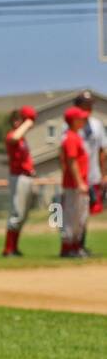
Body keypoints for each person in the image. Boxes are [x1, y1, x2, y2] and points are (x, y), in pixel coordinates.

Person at [2, 105, 38, 257]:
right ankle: (8, 249)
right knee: (17, 213)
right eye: (16, 120)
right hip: (18, 177)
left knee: (23, 215)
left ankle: (14, 248)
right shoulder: (12, 136)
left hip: (26, 176)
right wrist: (27, 123)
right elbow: (15, 137)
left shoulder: (23, 140)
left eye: (20, 119)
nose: (19, 122)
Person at [75, 91, 105, 250]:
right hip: (76, 178)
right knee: (74, 213)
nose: (88, 107)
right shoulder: (70, 124)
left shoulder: (97, 125)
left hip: (93, 176)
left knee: (85, 213)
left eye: (90, 104)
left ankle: (80, 245)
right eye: (85, 104)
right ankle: (71, 246)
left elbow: (102, 151)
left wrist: (104, 174)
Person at [59, 105, 91, 258]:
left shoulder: (75, 136)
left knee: (80, 217)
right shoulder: (70, 137)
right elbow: (72, 162)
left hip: (79, 184)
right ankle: (68, 248)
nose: (84, 119)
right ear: (73, 120)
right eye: (81, 117)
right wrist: (79, 183)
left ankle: (76, 247)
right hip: (74, 185)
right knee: (71, 217)